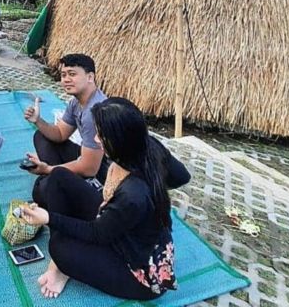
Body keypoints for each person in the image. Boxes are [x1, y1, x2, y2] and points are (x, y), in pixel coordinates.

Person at [20, 97, 190, 300]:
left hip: (138, 272)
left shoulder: (133, 194)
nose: (96, 139)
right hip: (121, 228)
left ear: (119, 140)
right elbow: (182, 176)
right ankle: (61, 266)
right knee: (58, 176)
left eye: (101, 135)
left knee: (59, 248)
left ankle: (61, 266)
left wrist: (47, 218)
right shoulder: (146, 145)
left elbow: (96, 233)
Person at [23, 53, 109, 206]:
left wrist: (48, 169)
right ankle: (58, 182)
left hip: (103, 173)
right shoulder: (76, 102)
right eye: (63, 75)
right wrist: (38, 121)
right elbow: (60, 134)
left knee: (40, 191)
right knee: (41, 136)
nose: (66, 79)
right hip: (87, 156)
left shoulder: (95, 112)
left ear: (90, 77)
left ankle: (58, 183)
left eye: (72, 74)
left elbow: (90, 168)